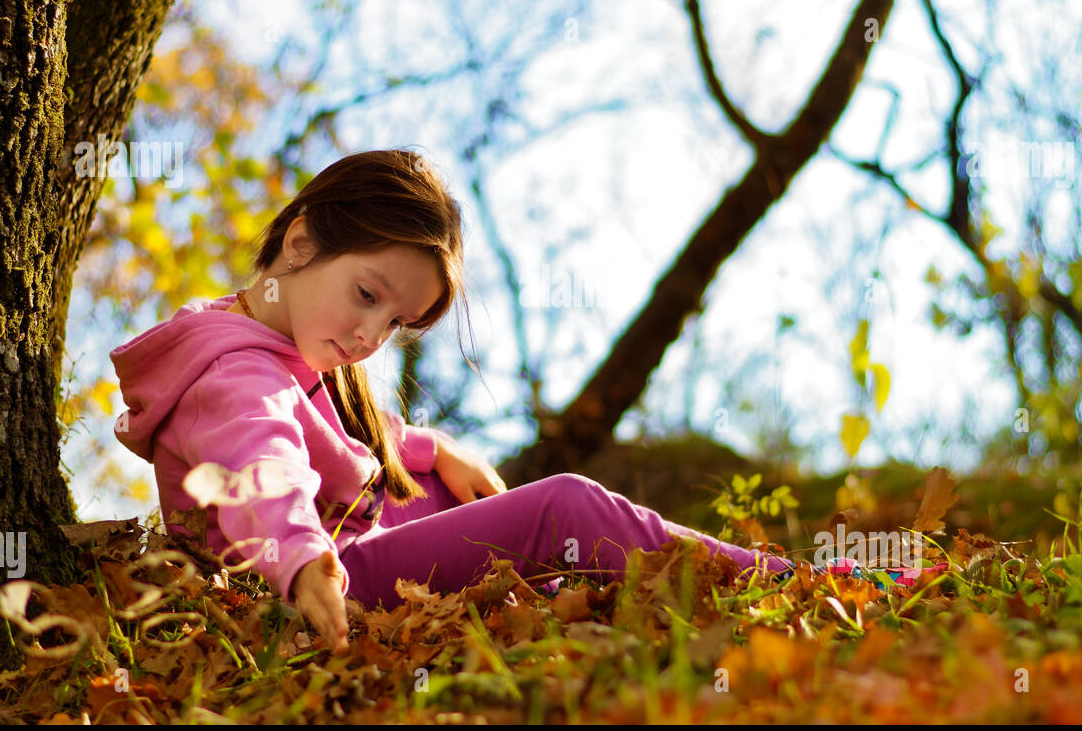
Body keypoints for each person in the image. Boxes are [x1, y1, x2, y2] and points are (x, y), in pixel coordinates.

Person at [111, 149, 837, 656]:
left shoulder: (272, 335)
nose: (371, 336)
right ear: (300, 242)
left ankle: (606, 578)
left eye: (396, 322)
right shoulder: (233, 373)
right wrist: (302, 561)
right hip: (304, 587)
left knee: (437, 486)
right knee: (562, 506)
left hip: (332, 551)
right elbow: (260, 462)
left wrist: (432, 448)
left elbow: (335, 431)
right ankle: (789, 588)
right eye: (367, 295)